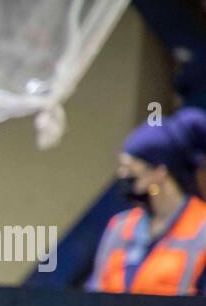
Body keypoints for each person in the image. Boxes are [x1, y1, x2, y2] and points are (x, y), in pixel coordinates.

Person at [87, 108, 206, 295]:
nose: (122, 175)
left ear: (159, 172)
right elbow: (94, 296)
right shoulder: (119, 228)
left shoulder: (201, 228)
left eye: (129, 168)